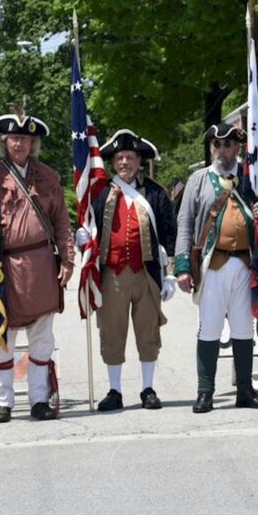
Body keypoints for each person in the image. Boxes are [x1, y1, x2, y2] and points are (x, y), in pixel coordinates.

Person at [0, 114, 75, 423]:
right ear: (4, 142)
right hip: (3, 268)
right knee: (2, 337)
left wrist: (68, 258)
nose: (20, 144)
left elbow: (61, 222)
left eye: (26, 139)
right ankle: (3, 401)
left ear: (33, 143)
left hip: (41, 264)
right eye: (14, 139)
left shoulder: (47, 176)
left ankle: (39, 400)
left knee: (42, 336)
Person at [174, 123, 258, 413]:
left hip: (245, 263)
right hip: (213, 263)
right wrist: (182, 267)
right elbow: (185, 222)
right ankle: (205, 391)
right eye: (216, 145)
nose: (221, 150)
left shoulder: (252, 176)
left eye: (227, 144)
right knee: (210, 327)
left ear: (238, 147)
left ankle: (245, 390)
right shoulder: (198, 179)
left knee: (244, 328)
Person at [83, 130, 177, 411]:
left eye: (130, 158)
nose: (124, 162)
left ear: (139, 161)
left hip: (146, 273)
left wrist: (170, 273)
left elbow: (169, 233)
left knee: (148, 332)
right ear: (113, 162)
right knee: (112, 332)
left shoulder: (155, 193)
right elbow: (87, 224)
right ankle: (115, 390)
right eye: (120, 158)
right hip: (112, 273)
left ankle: (148, 388)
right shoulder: (99, 192)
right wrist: (82, 237)